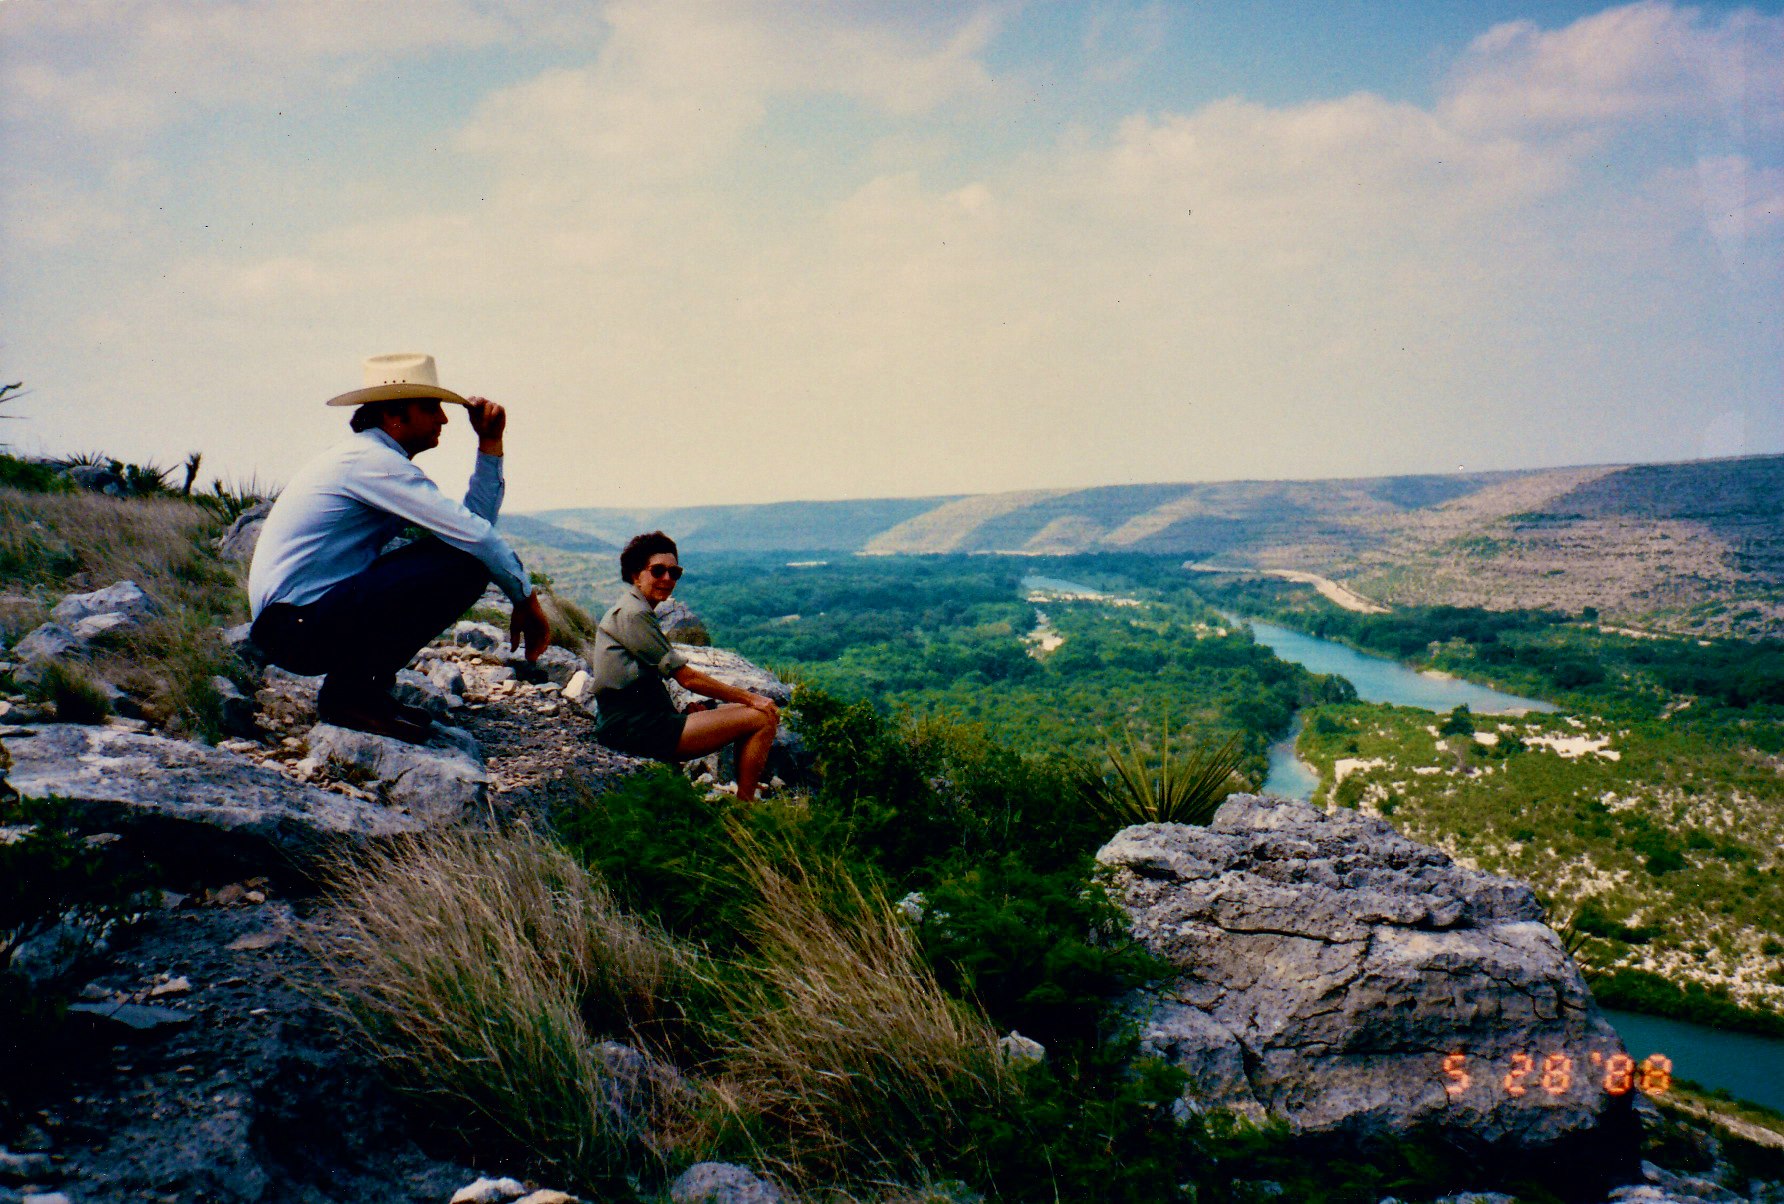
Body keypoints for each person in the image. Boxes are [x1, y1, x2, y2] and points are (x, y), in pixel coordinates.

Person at [248, 352, 551, 742]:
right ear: (394, 414)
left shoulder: (372, 460)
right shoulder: (373, 462)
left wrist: (489, 443)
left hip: (298, 623)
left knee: (463, 558)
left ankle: (364, 693)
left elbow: (473, 529)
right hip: (293, 627)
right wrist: (525, 600)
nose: (443, 419)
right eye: (431, 408)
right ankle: (351, 698)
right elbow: (476, 538)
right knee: (466, 565)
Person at [590, 531, 780, 800]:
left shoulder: (635, 610)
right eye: (658, 571)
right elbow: (686, 678)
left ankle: (744, 797)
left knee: (744, 710)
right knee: (762, 715)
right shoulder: (634, 615)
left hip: (642, 722)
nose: (667, 579)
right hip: (636, 729)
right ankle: (745, 807)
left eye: (674, 572)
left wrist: (682, 712)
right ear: (636, 575)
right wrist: (753, 698)